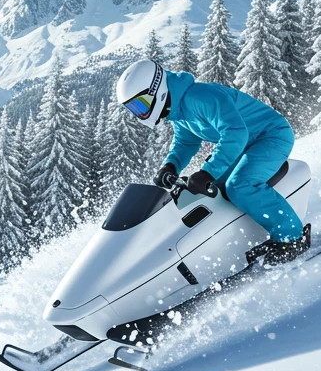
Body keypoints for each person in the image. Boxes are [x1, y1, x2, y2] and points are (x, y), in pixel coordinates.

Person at [115, 58, 308, 263]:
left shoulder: (201, 98)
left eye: (141, 104)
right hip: (246, 143)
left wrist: (208, 171)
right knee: (211, 189)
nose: (140, 112)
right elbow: (185, 142)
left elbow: (235, 133)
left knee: (240, 185)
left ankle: (293, 238)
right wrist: (171, 165)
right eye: (134, 108)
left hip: (271, 136)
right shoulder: (177, 110)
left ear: (157, 89)